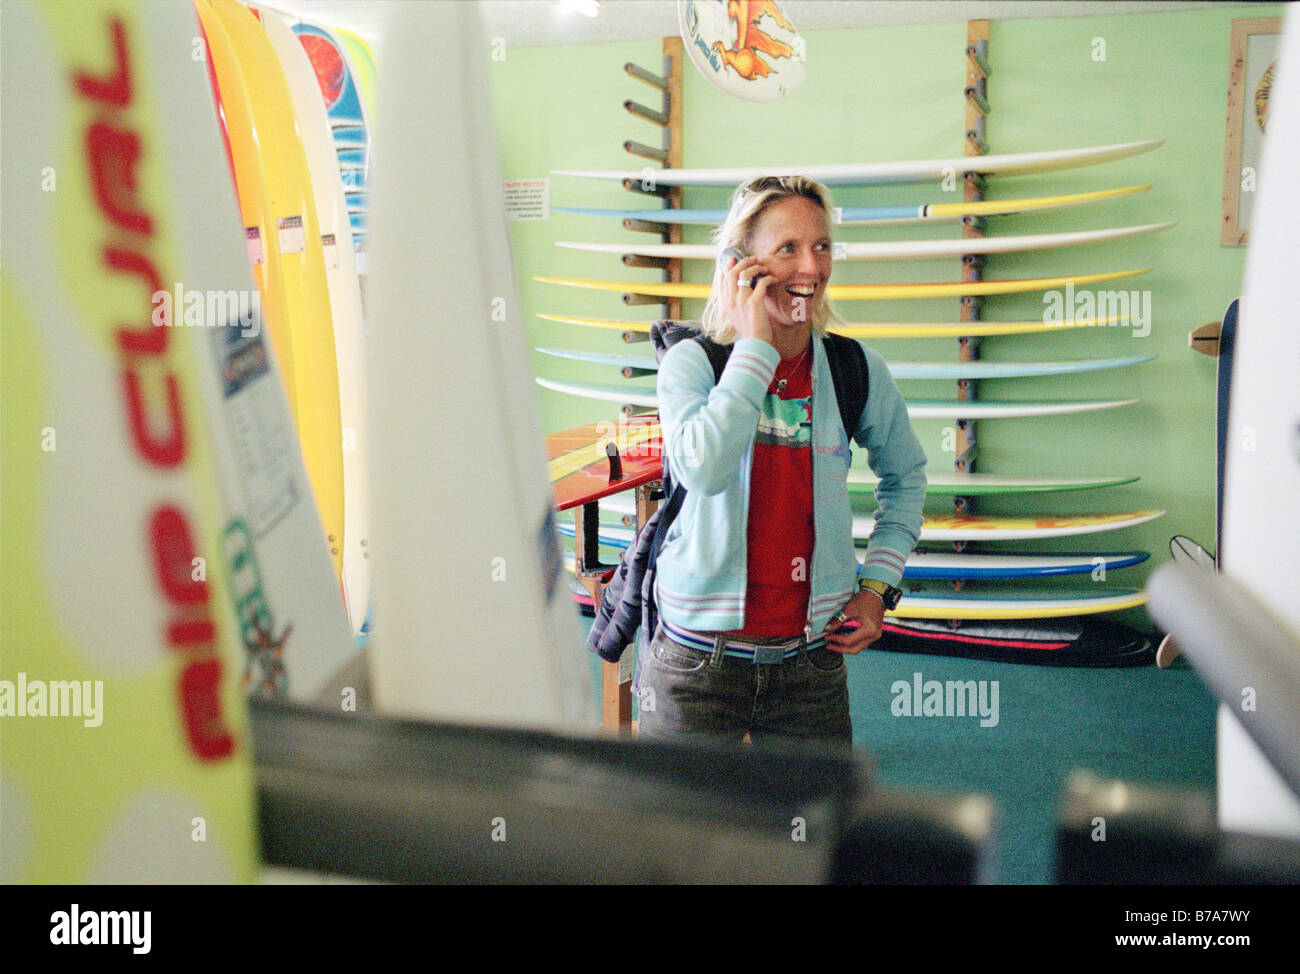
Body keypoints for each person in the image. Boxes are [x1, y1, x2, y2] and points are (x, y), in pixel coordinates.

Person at [637, 174, 927, 751]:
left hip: (809, 666)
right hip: (696, 661)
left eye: (821, 246)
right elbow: (704, 469)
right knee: (679, 836)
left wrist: (878, 588)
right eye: (787, 248)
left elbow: (907, 477)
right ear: (740, 264)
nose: (811, 267)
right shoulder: (692, 363)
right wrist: (755, 348)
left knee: (810, 835)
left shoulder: (854, 368)